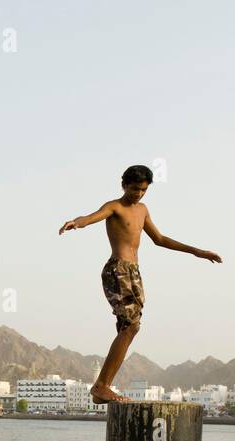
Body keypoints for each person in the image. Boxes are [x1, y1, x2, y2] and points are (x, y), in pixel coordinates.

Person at [58, 164, 221, 404]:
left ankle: (102, 388)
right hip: (117, 269)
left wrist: (196, 251)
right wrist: (76, 222)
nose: (139, 194)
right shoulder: (114, 206)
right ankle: (101, 386)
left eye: (143, 190)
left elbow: (160, 239)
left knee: (130, 327)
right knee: (130, 326)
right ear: (123, 184)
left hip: (134, 273)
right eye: (135, 189)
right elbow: (93, 217)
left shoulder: (143, 210)